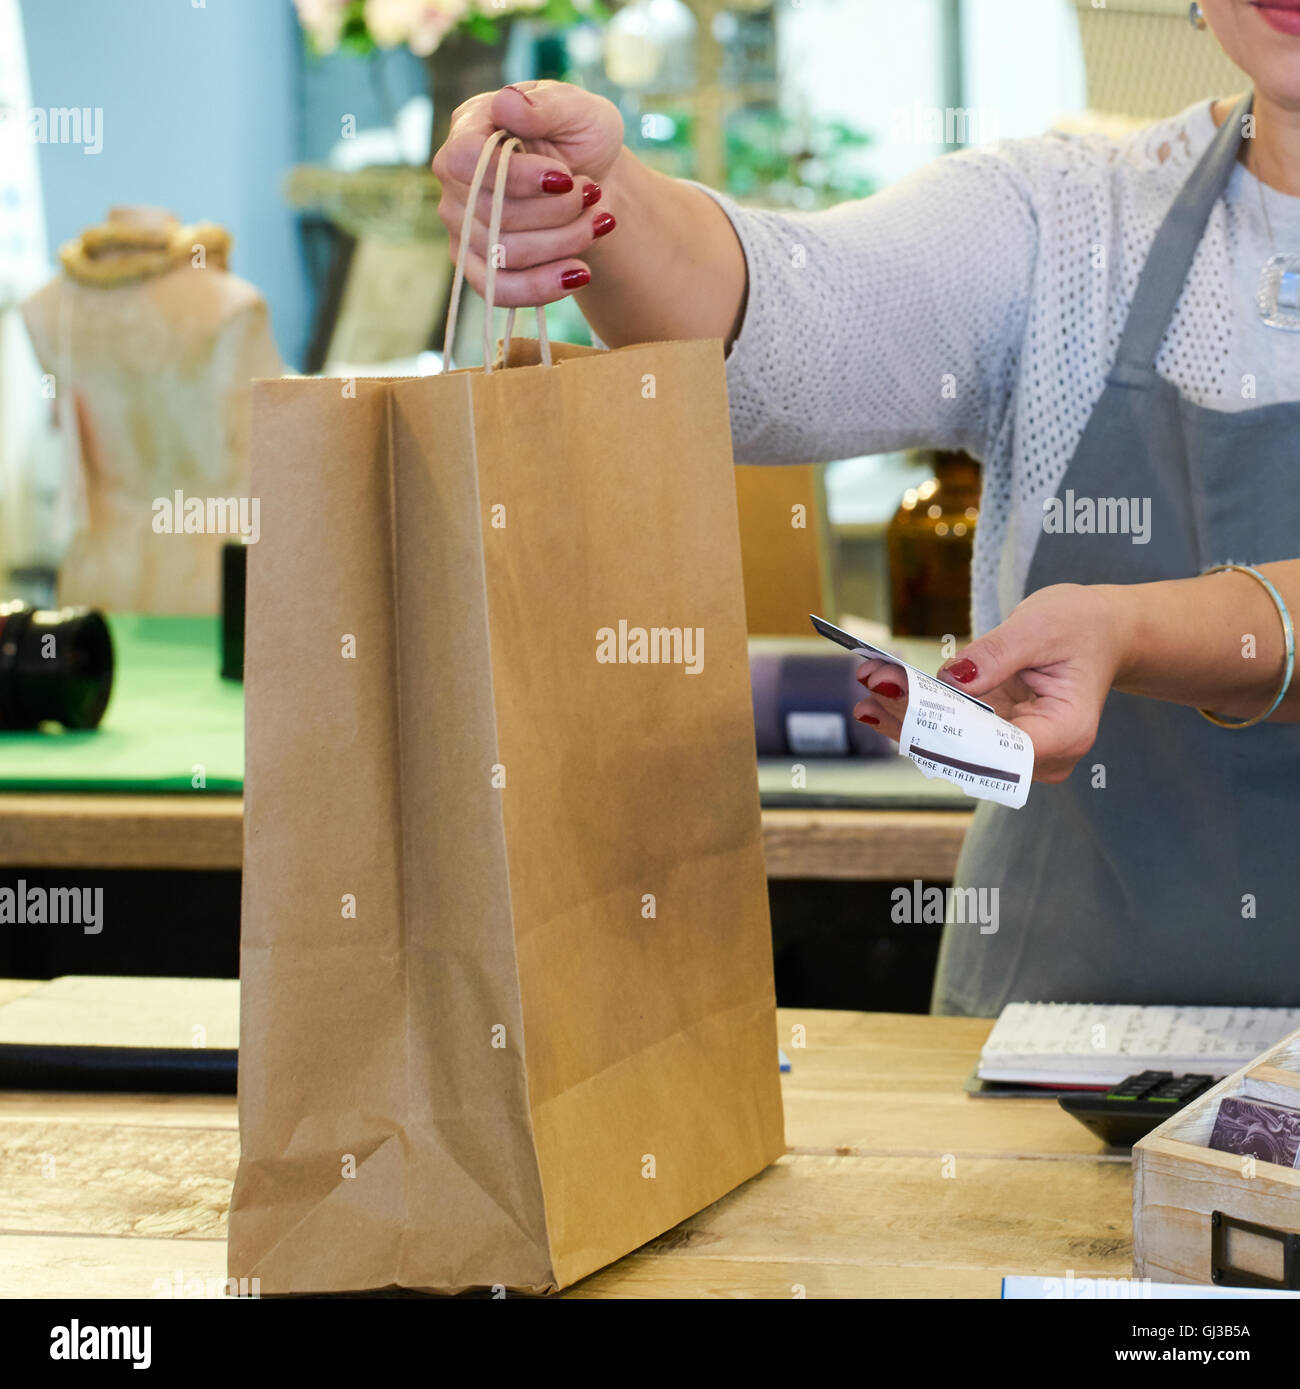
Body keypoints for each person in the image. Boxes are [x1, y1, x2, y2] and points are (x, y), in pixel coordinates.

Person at [434, 0, 1300, 1014]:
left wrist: (1127, 628)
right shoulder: (1068, 217)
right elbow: (803, 318)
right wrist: (595, 192)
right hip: (1066, 1075)